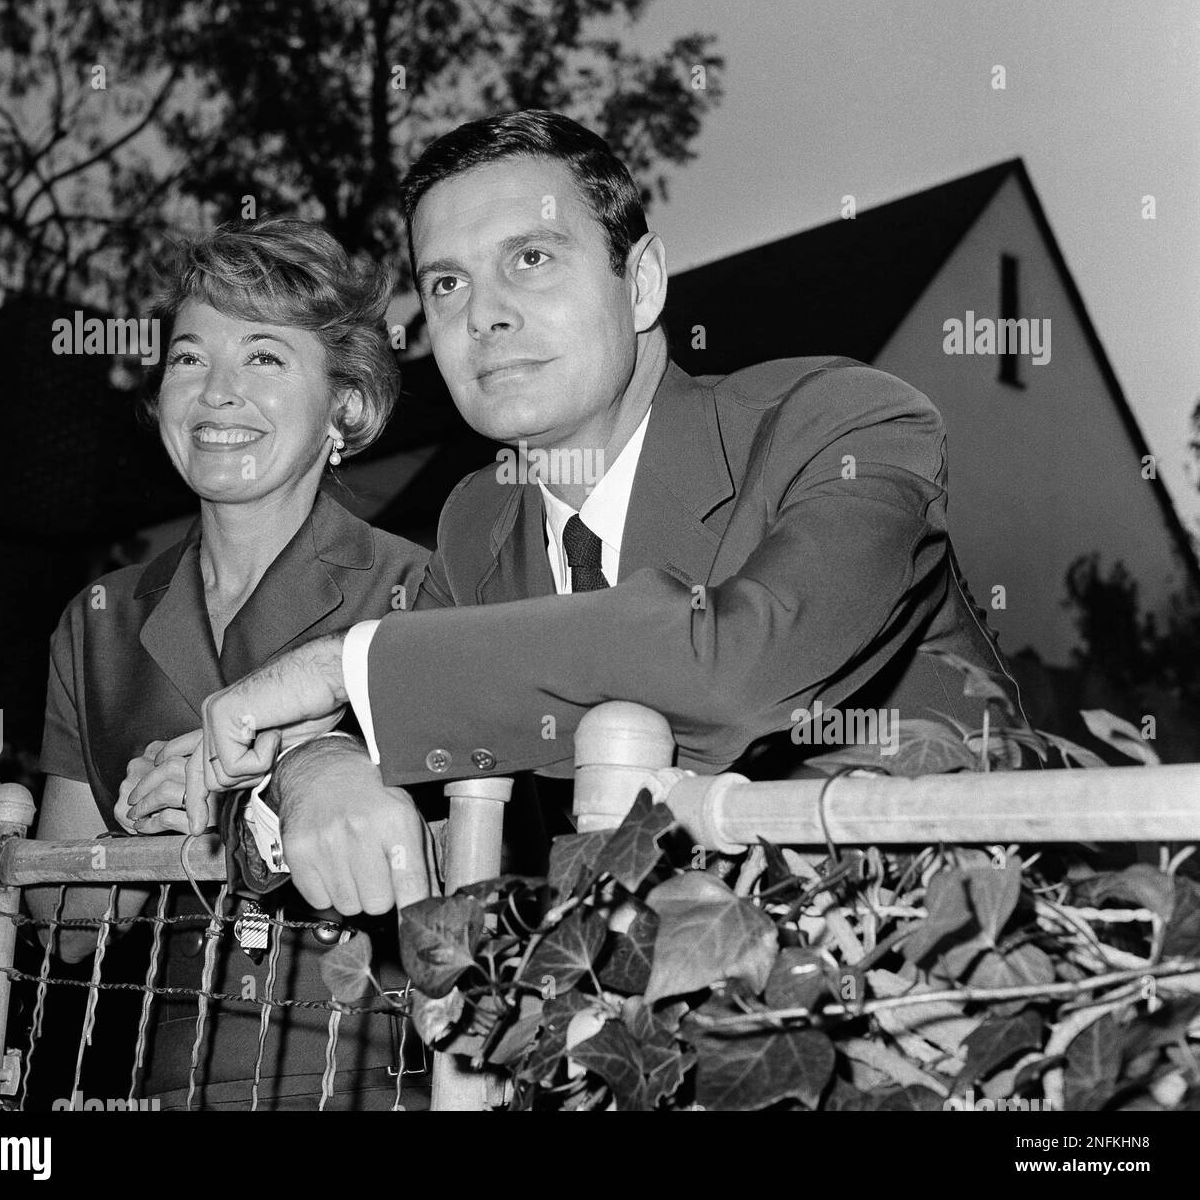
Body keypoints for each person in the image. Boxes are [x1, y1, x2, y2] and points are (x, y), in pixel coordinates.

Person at [190, 109, 1028, 915]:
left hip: (928, 991)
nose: (485, 314)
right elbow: (415, 715)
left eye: (531, 259)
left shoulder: (845, 422)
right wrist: (319, 766)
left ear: (642, 284)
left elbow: (734, 672)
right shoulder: (479, 522)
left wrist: (345, 664)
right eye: (447, 283)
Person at [29, 218, 432, 1110]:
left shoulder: (429, 592)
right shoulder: (94, 623)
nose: (217, 392)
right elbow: (65, 936)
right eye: (187, 358)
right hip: (157, 1082)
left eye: (263, 358)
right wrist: (137, 843)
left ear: (347, 406)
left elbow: (485, 871)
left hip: (380, 1080)